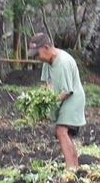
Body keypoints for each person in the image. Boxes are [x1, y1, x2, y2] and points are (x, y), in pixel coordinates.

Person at [29, 33, 85, 169]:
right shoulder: (47, 62)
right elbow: (48, 84)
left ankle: (70, 168)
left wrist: (49, 101)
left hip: (73, 98)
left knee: (61, 130)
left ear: (47, 48)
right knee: (65, 133)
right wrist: (42, 100)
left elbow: (67, 91)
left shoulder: (63, 62)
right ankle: (74, 166)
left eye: (38, 54)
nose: (38, 57)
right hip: (61, 98)